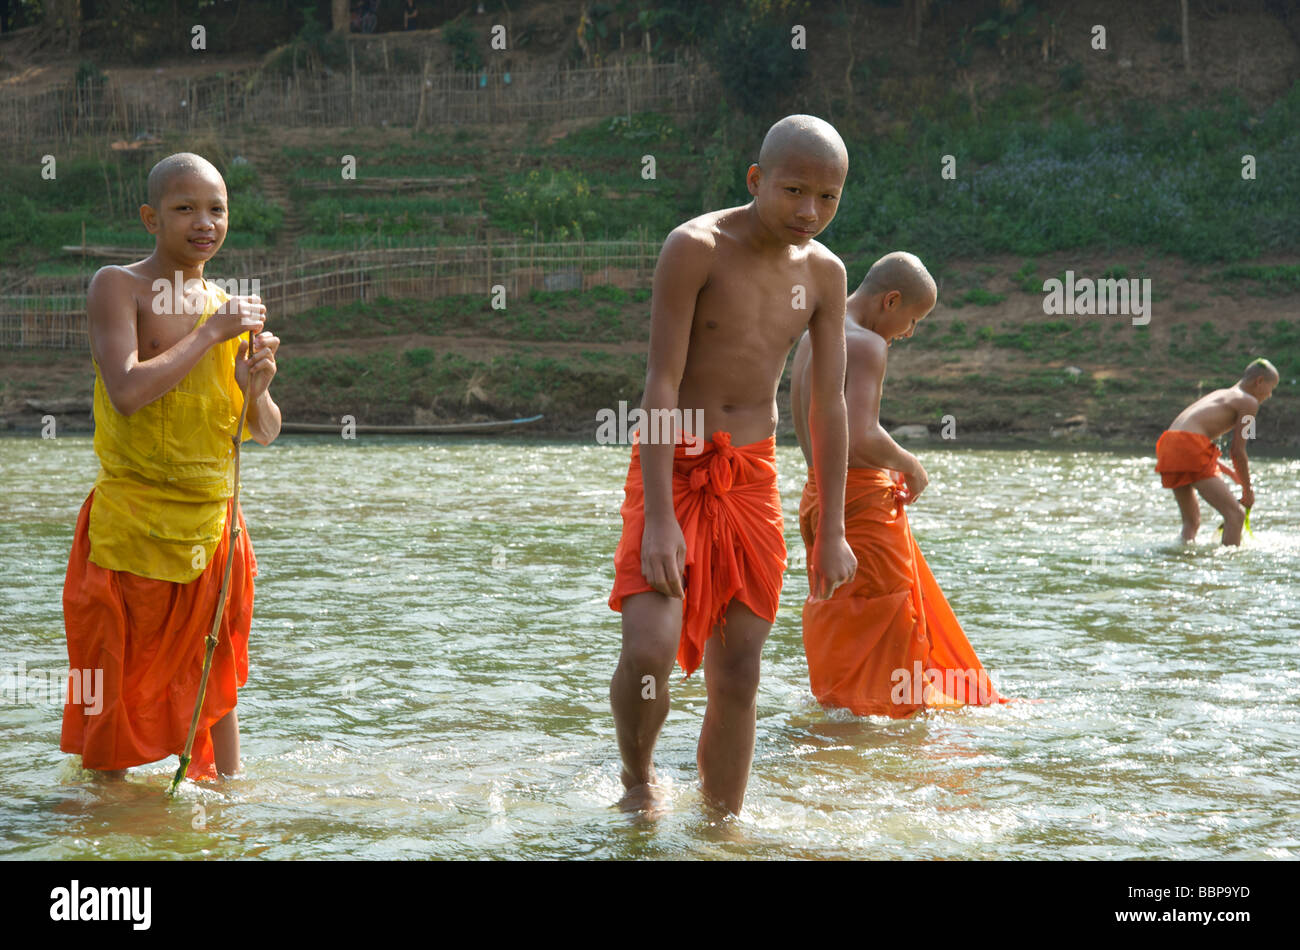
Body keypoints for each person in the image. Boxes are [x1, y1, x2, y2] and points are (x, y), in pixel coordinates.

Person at [608, 115, 858, 816]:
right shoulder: (695, 248)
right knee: (650, 650)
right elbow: (661, 382)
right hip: (674, 463)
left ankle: (722, 823)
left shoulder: (825, 274)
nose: (810, 211)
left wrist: (832, 528)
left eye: (828, 198)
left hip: (750, 474)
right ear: (757, 180)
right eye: (794, 190)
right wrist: (659, 518)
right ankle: (638, 779)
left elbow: (830, 405)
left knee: (740, 669)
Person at [60, 152, 282, 781]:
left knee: (215, 673)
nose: (204, 222)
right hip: (132, 527)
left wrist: (257, 388)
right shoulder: (118, 286)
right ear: (151, 218)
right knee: (114, 680)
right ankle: (106, 820)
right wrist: (211, 334)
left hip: (214, 528)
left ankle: (231, 807)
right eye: (185, 208)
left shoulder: (230, 311)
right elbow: (127, 391)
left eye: (217, 210)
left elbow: (262, 433)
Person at [791, 252, 1005, 718]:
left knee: (843, 620)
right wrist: (911, 464)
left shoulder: (815, 333)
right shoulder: (866, 344)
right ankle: (879, 740)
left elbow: (810, 425)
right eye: (913, 319)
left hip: (816, 497)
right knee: (889, 630)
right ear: (890, 300)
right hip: (862, 502)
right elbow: (861, 436)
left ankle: (838, 731)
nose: (910, 333)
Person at [1154, 358, 1278, 545]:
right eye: (1271, 388)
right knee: (1235, 516)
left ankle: (1180, 561)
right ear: (1259, 381)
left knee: (1191, 522)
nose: (1270, 395)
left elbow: (1189, 443)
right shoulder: (1249, 402)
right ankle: (1229, 568)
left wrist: (1231, 473)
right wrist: (1247, 491)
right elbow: (1237, 451)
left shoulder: (1222, 394)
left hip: (1168, 445)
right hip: (1189, 445)